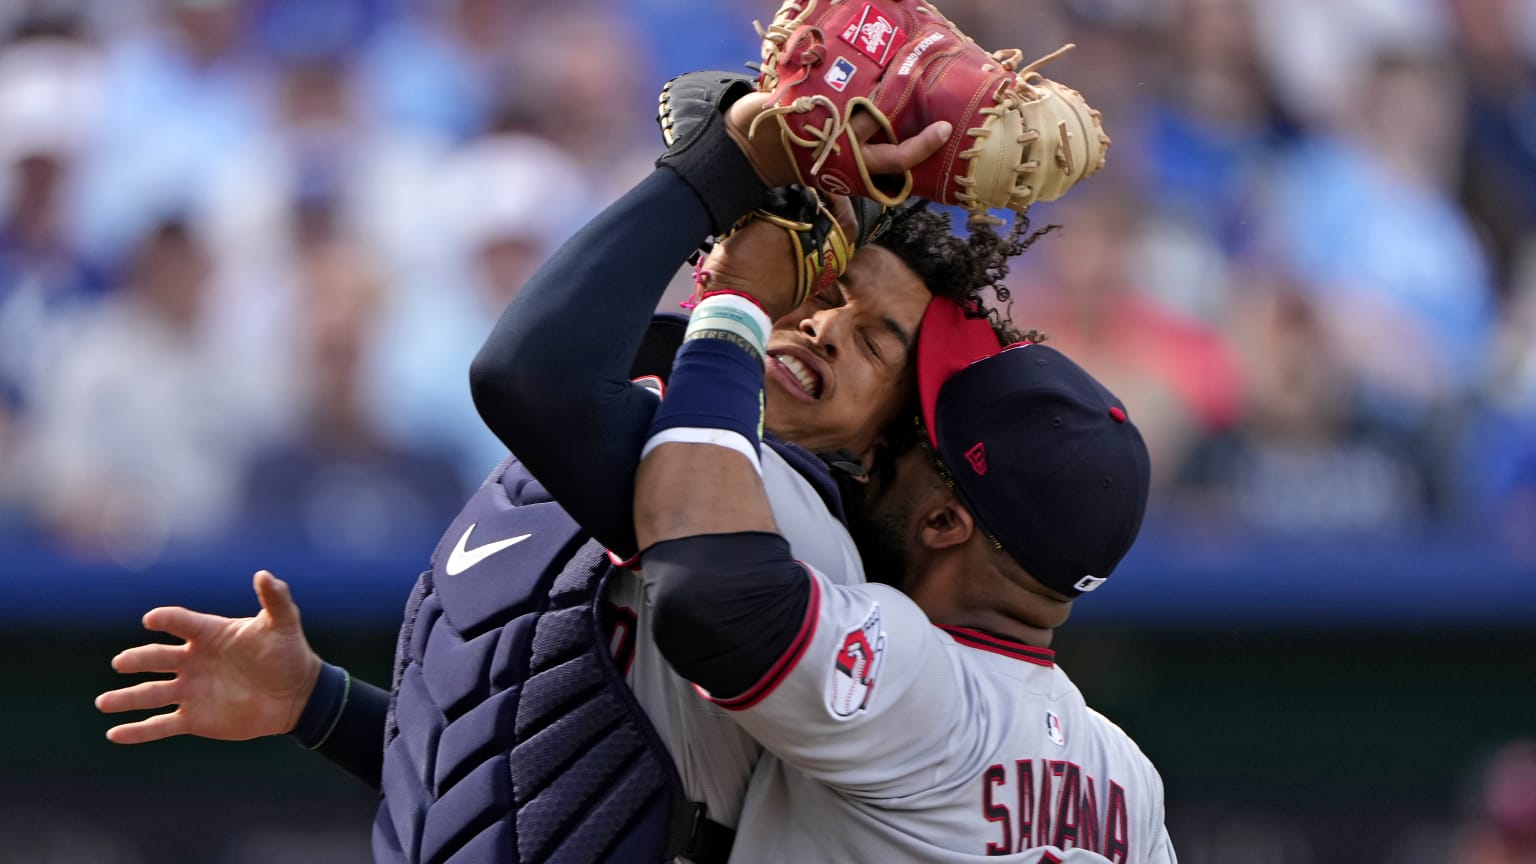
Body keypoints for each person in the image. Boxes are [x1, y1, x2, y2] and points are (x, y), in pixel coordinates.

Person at [98, 75, 1066, 861]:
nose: (824, 332)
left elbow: (529, 371)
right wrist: (323, 705)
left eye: (877, 341)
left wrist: (719, 175)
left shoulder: (782, 521)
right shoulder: (672, 441)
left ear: (891, 434)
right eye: (827, 296)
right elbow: (518, 767)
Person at [632, 202, 1176, 861]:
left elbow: (712, 597)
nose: (876, 449)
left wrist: (734, 299)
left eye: (910, 443)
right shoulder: (1128, 781)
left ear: (945, 522)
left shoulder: (924, 685)